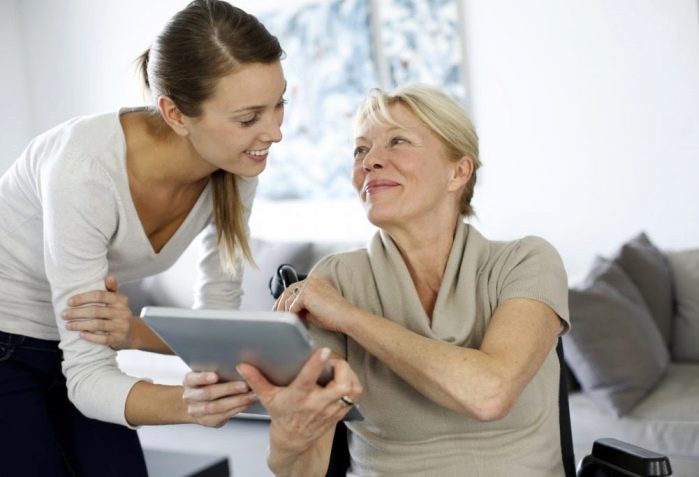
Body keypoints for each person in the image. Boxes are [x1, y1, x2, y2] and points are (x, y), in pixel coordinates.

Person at [0, 1, 359, 475]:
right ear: (174, 113)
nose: (275, 132)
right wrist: (191, 404)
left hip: (83, 337)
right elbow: (87, 379)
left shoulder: (235, 165)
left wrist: (138, 335)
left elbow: (215, 328)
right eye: (249, 117)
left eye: (280, 103)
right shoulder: (84, 170)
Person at [233, 84, 571, 476]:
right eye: (361, 149)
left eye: (397, 141)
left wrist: (348, 317)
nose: (371, 161)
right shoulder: (336, 279)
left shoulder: (527, 261)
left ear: (458, 171)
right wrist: (290, 434)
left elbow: (489, 394)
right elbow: (305, 469)